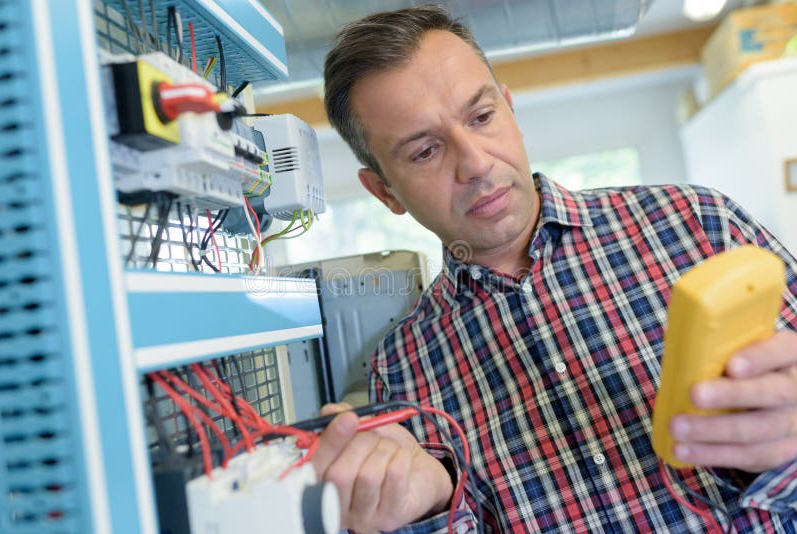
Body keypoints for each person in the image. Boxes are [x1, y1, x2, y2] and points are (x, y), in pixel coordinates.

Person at [310, 5, 797, 532]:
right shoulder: (402, 365)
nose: (476, 163)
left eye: (482, 117)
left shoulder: (698, 224)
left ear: (511, 111)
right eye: (426, 151)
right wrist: (432, 508)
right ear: (384, 191)